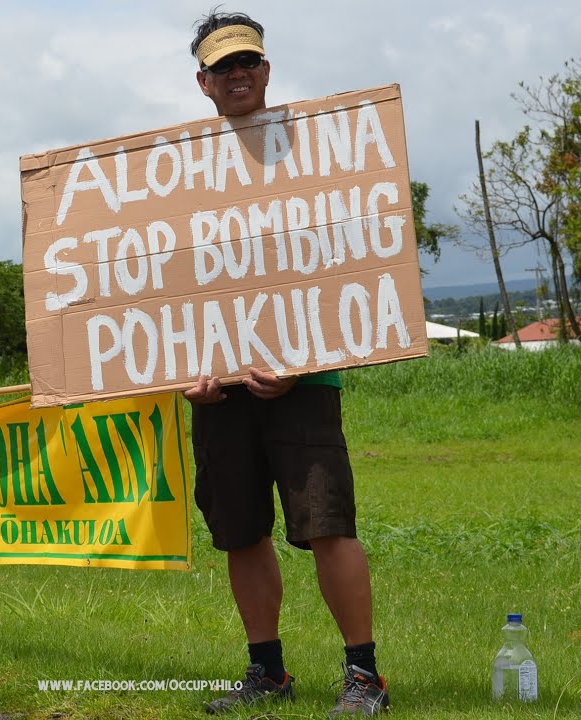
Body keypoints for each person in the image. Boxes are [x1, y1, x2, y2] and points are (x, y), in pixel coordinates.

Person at [183, 11, 389, 717]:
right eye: (222, 66)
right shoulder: (171, 173)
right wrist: (182, 377)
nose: (237, 75)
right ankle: (267, 673)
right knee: (239, 531)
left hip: (306, 381)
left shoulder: (317, 151)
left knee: (327, 523)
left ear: (266, 70)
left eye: (248, 62)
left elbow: (346, 262)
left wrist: (302, 364)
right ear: (203, 82)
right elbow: (157, 287)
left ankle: (364, 677)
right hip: (216, 389)